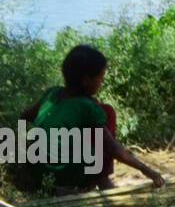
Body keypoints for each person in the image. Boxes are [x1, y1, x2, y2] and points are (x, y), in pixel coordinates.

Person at [16, 45, 166, 192]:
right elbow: (112, 147)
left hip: (39, 174)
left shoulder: (51, 94)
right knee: (107, 112)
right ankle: (102, 178)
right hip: (65, 178)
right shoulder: (88, 107)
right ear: (86, 80)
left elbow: (23, 117)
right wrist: (148, 171)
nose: (102, 81)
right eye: (101, 77)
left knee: (101, 113)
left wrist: (23, 159)